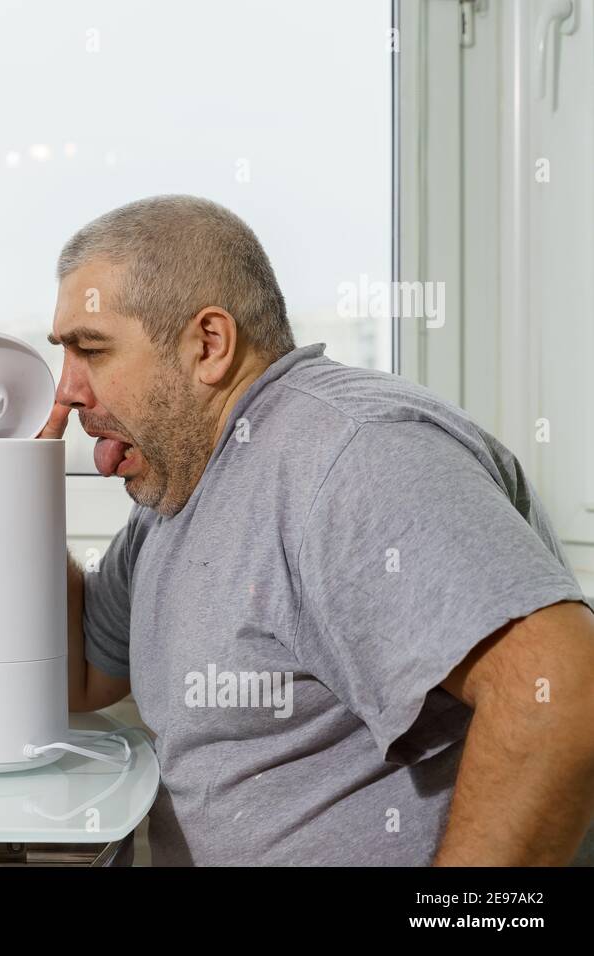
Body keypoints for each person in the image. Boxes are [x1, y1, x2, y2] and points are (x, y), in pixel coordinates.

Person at [41, 194, 594, 866]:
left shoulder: (353, 455)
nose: (66, 390)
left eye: (90, 350)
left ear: (208, 345)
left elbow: (564, 694)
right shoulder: (178, 486)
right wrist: (15, 503)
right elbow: (81, 676)